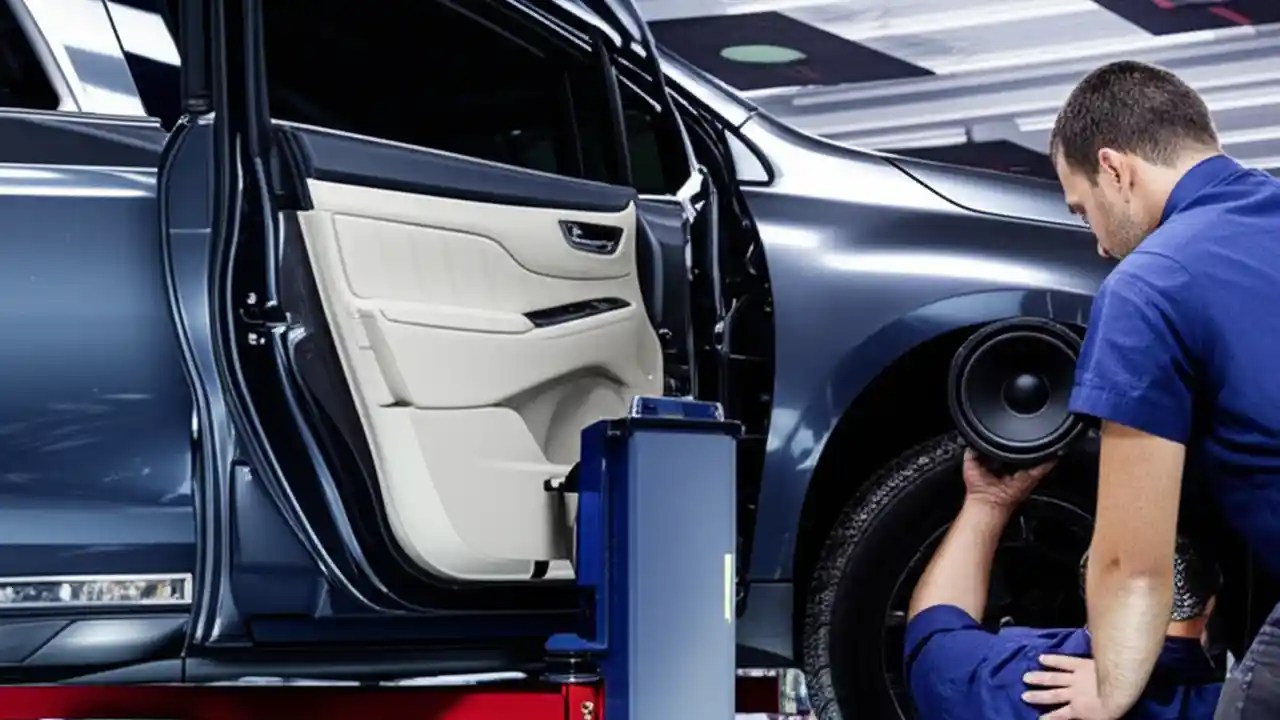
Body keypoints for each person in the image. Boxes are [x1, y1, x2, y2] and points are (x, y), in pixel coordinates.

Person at [966, 59, 1280, 719]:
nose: (1101, 246)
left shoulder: (1151, 284)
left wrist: (1111, 688)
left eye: (1084, 211)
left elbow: (1133, 563)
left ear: (1114, 169)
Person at [905, 450, 1223, 719]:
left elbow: (932, 636)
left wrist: (988, 502)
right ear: (1208, 608)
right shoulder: (1230, 704)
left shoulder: (1003, 680)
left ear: (1092, 586)